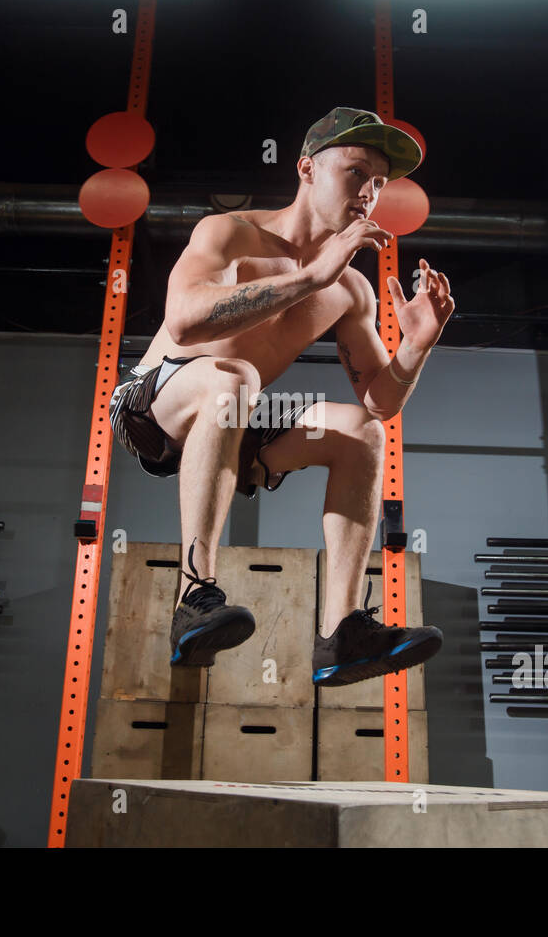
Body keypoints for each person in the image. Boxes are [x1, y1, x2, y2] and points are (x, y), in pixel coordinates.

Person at [109, 106, 454, 686]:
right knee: (234, 376)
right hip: (154, 402)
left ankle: (342, 634)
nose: (369, 191)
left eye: (378, 182)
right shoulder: (232, 234)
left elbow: (379, 403)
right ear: (306, 169)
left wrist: (415, 349)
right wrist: (308, 276)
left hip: (234, 420)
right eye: (355, 171)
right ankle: (196, 597)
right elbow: (188, 325)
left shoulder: (350, 288)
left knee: (361, 433)